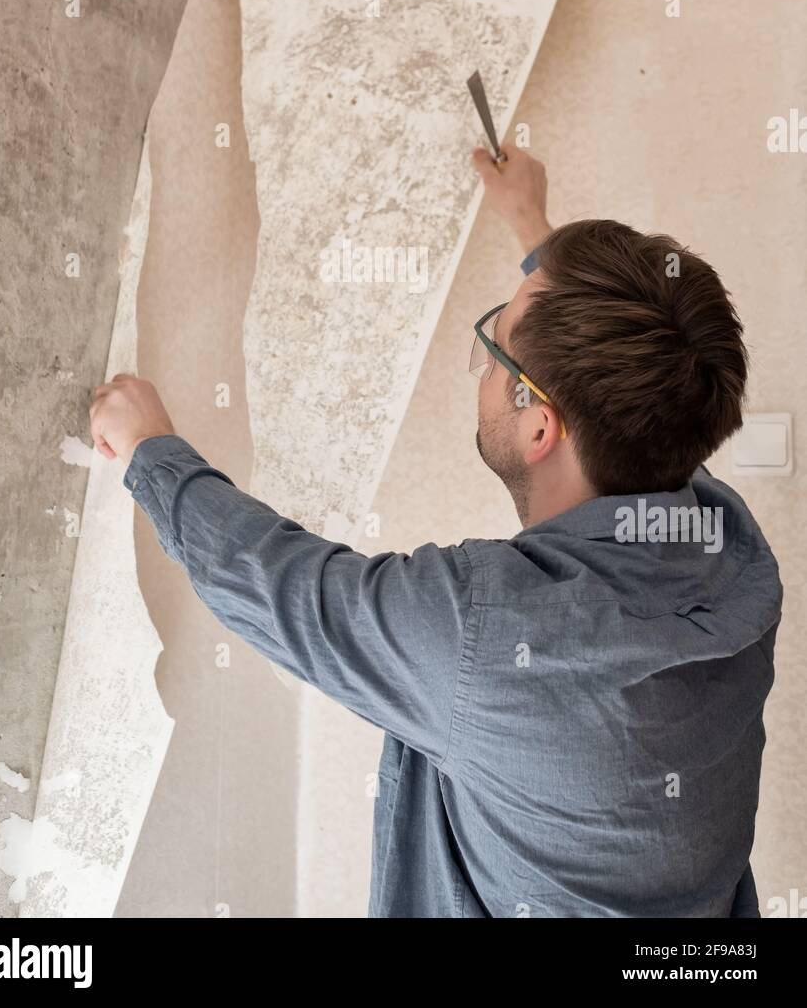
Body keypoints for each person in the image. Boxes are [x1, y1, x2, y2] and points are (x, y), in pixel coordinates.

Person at [90, 145, 782, 918]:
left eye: (494, 346)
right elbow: (632, 395)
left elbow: (289, 587)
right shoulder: (725, 543)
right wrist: (531, 221)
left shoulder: (485, 636)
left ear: (540, 426)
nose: (481, 365)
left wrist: (152, 452)